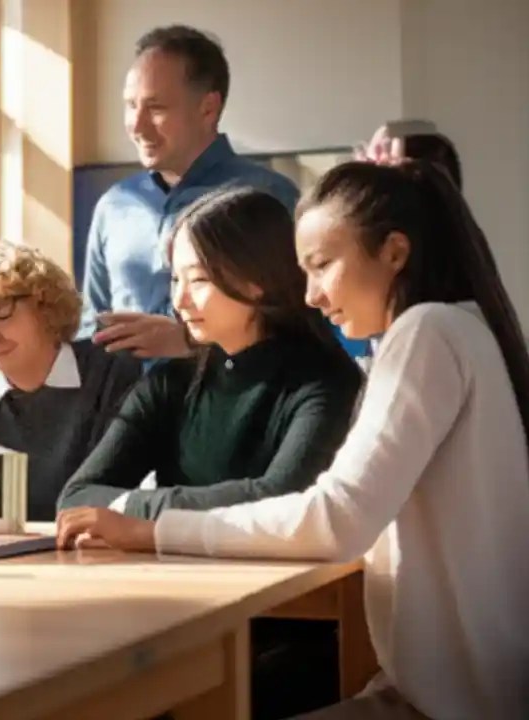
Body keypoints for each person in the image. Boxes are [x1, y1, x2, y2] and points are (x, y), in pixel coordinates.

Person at [57, 160, 529, 719]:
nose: (308, 295)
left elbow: (336, 518)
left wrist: (155, 530)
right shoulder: (462, 327)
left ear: (395, 254)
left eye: (323, 266)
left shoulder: (424, 333)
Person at [60, 188, 363, 718]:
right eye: (175, 279)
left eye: (198, 279)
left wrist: (134, 517)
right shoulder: (172, 383)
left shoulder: (324, 379)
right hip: (172, 614)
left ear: (255, 278)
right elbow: (79, 496)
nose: (179, 300)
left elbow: (280, 499)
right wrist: (144, 514)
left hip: (283, 627)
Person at [81, 25, 299, 360]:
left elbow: (300, 326)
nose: (137, 127)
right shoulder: (114, 206)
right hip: (126, 407)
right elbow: (90, 327)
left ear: (208, 108)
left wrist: (190, 342)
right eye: (130, 106)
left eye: (156, 107)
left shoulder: (269, 198)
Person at [0, 241, 141, 521]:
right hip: (1, 559)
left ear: (44, 304)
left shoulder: (112, 374)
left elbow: (118, 494)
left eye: (0, 312)